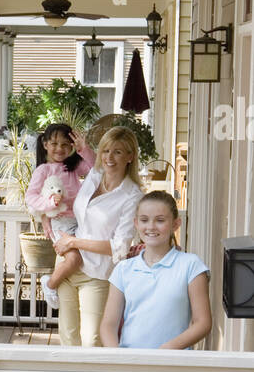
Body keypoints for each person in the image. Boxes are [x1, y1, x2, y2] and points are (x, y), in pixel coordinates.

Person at [54, 126, 143, 349]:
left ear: (130, 157)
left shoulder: (132, 195)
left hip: (97, 274)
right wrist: (86, 149)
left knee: (91, 340)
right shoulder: (95, 176)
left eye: (118, 152)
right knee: (68, 336)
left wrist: (74, 241)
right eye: (106, 151)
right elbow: (96, 161)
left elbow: (120, 248)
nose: (109, 157)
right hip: (68, 263)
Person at [99, 190, 212, 350]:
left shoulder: (191, 265)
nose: (151, 226)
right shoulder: (123, 270)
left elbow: (203, 323)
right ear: (136, 223)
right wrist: (118, 357)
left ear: (175, 224)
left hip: (173, 364)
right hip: (131, 364)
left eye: (160, 220)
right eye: (144, 220)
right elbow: (109, 324)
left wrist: (167, 350)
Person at [23, 122, 95, 307]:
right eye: (54, 144)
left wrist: (84, 149)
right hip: (60, 221)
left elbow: (97, 170)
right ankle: (50, 283)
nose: (59, 148)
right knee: (74, 259)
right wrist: (49, 204)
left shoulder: (72, 166)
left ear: (71, 146)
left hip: (80, 219)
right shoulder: (43, 170)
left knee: (87, 256)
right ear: (45, 144)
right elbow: (30, 196)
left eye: (65, 144)